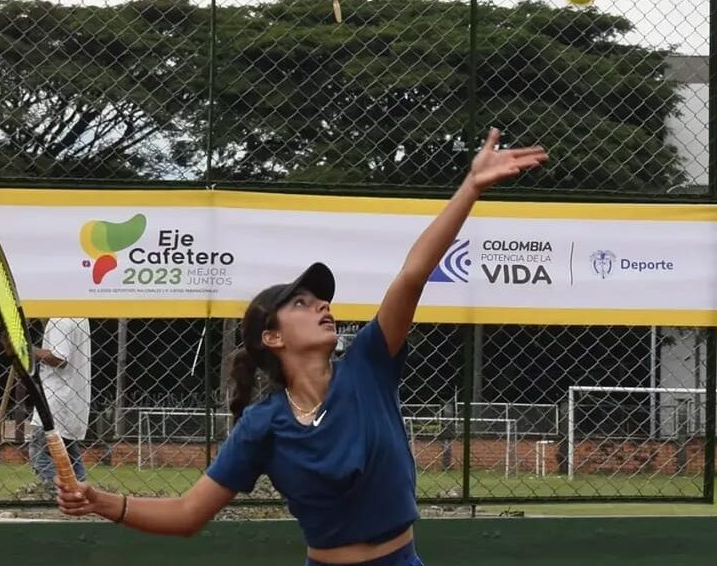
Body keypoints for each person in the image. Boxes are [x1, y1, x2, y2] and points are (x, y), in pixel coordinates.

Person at [55, 128, 548, 566]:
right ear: (272, 337)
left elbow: (413, 275)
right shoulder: (263, 424)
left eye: (323, 301)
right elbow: (187, 513)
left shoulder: (369, 366)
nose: (322, 307)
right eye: (302, 303)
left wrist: (471, 187)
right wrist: (102, 502)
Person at [28, 317, 93, 484]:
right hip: (72, 399)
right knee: (70, 457)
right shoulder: (78, 318)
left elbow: (59, 358)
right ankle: (81, 493)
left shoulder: (60, 320)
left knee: (40, 456)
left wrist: (24, 349)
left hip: (55, 400)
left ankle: (61, 494)